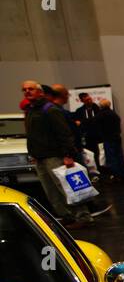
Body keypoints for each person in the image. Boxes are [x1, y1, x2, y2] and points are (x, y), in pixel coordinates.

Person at [21, 80, 92, 227]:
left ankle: (82, 216)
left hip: (55, 156)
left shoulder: (50, 109)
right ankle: (67, 216)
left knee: (67, 188)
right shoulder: (31, 110)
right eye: (24, 90)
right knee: (52, 192)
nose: (27, 92)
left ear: (40, 92)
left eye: (31, 89)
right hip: (40, 157)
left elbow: (64, 134)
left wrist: (67, 155)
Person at [95, 98, 124, 181]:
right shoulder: (114, 114)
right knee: (119, 156)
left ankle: (116, 175)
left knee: (111, 158)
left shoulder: (100, 115)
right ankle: (123, 174)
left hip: (107, 139)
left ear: (101, 106)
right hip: (117, 138)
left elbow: (98, 127)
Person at [73, 91, 101, 171]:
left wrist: (83, 122)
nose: (89, 101)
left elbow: (97, 120)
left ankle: (102, 171)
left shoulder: (97, 108)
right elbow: (77, 123)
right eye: (86, 100)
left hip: (98, 137)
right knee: (89, 156)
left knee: (100, 156)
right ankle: (93, 172)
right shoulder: (79, 111)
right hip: (87, 137)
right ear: (82, 101)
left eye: (90, 99)